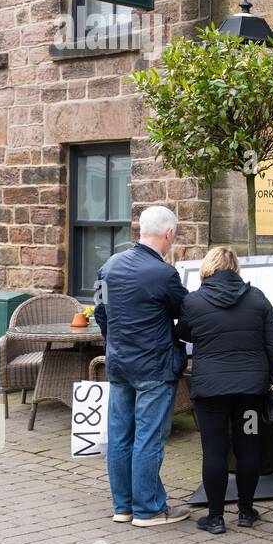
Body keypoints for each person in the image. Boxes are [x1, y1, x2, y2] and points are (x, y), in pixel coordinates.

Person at [175, 245, 273, 535]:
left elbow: (182, 332)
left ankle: (215, 517)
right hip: (249, 390)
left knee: (214, 450)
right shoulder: (257, 298)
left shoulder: (193, 302)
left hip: (210, 392)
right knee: (248, 446)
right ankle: (246, 512)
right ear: (235, 269)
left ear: (207, 268)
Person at [94, 205, 190, 527]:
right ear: (168, 234)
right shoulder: (164, 274)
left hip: (119, 364)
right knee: (148, 438)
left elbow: (100, 313)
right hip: (154, 367)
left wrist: (114, 343)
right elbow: (185, 312)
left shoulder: (108, 266)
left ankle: (122, 507)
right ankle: (148, 509)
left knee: (120, 437)